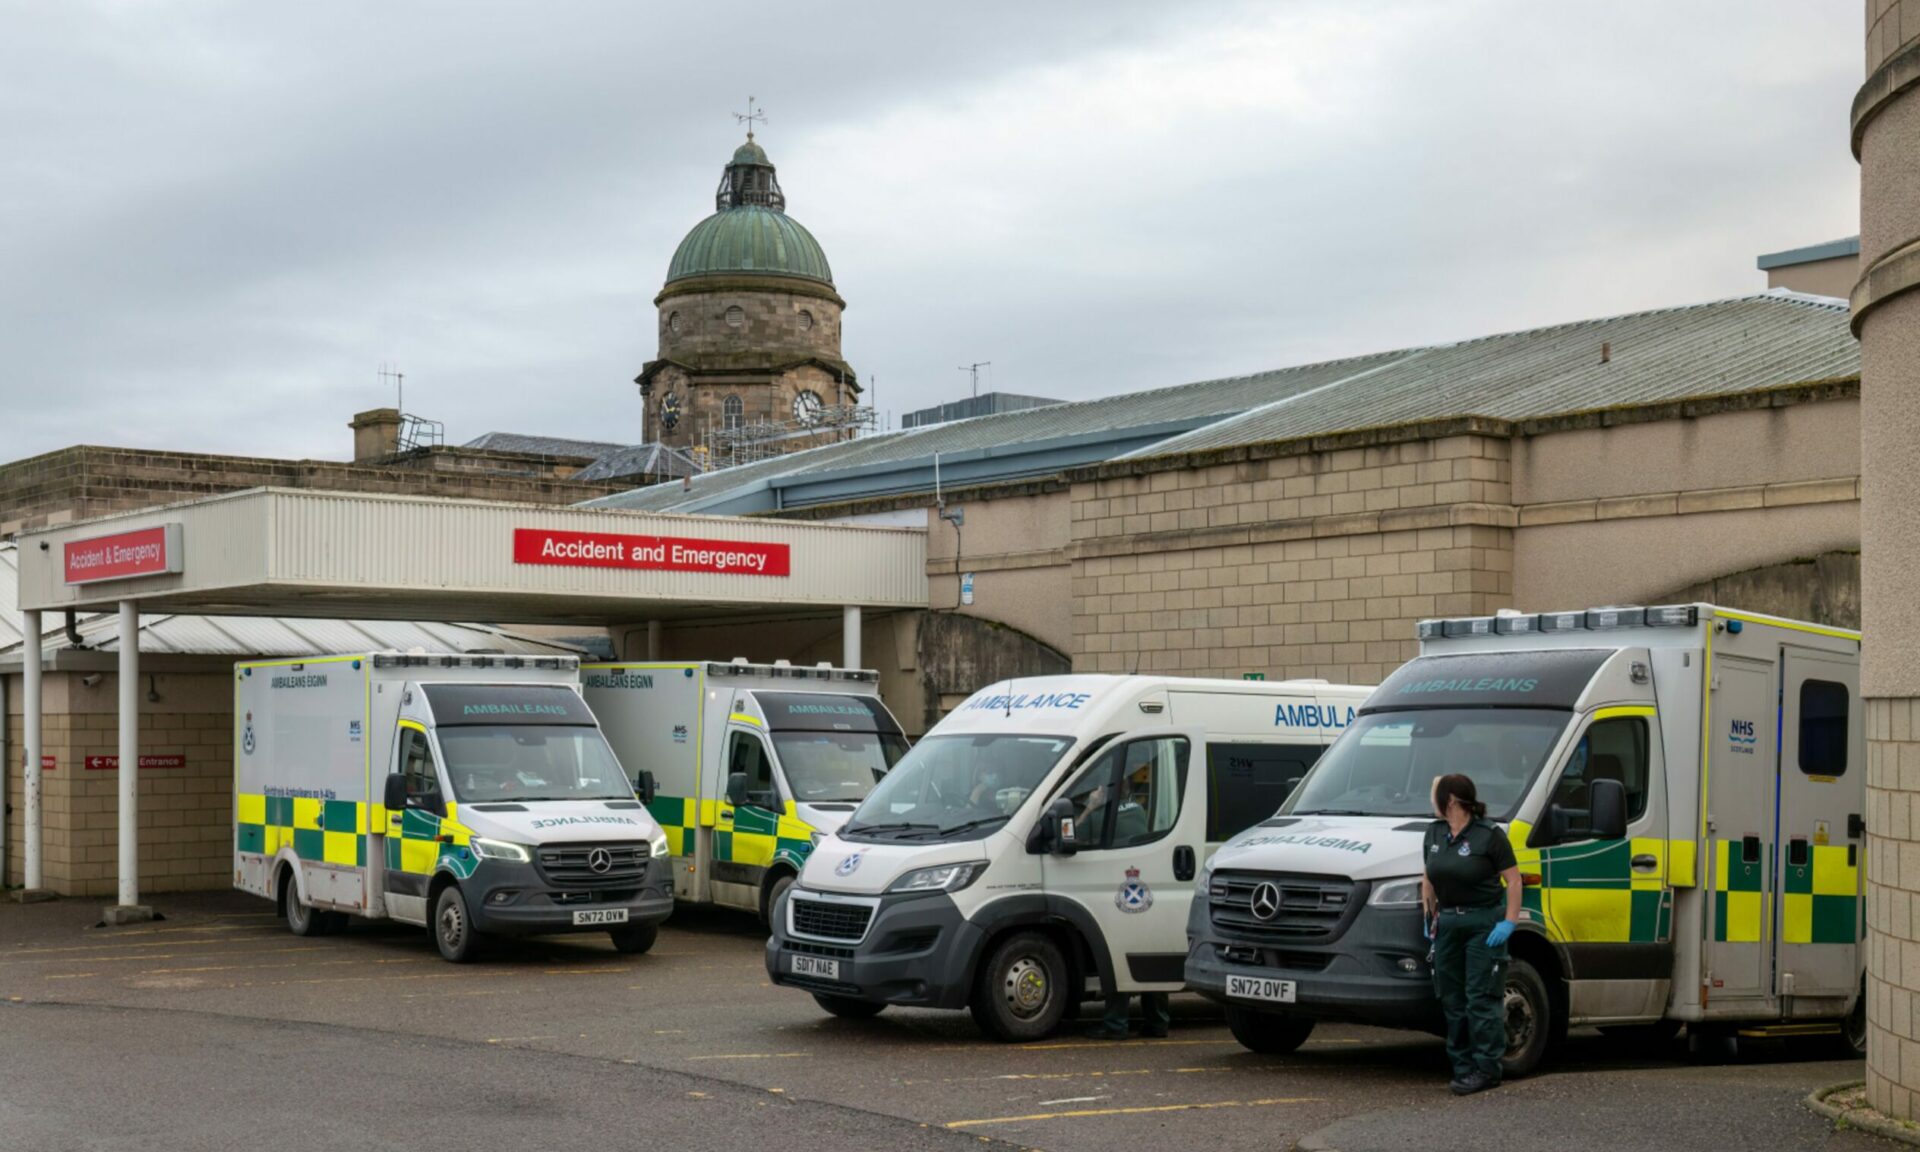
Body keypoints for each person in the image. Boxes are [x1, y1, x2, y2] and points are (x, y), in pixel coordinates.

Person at [1420, 773, 1522, 1095]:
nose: (1431, 801)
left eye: (1435, 795)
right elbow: (1428, 878)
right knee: (1452, 999)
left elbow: (1514, 880)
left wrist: (1509, 921)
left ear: (1450, 800)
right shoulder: (1434, 832)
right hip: (1448, 923)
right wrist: (1429, 916)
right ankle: (1462, 1067)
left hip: (1482, 924)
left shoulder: (1488, 835)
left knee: (1481, 998)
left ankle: (1487, 1068)